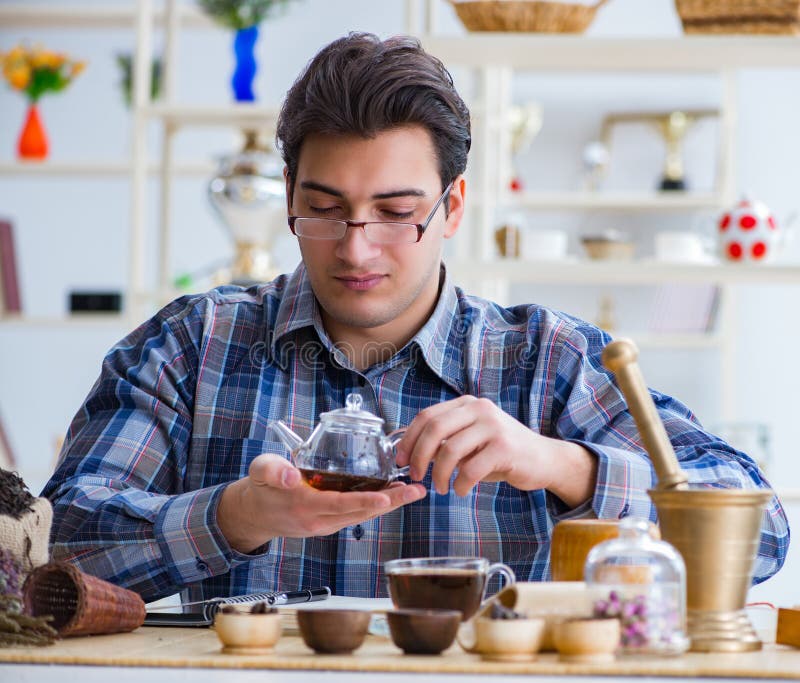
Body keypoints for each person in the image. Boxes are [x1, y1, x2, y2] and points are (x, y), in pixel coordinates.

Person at [43, 33, 788, 604]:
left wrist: (561, 464)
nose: (357, 247)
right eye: (325, 209)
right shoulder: (192, 345)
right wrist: (235, 514)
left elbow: (762, 534)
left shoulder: (548, 360)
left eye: (397, 213)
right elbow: (48, 553)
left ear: (452, 206)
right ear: (290, 195)